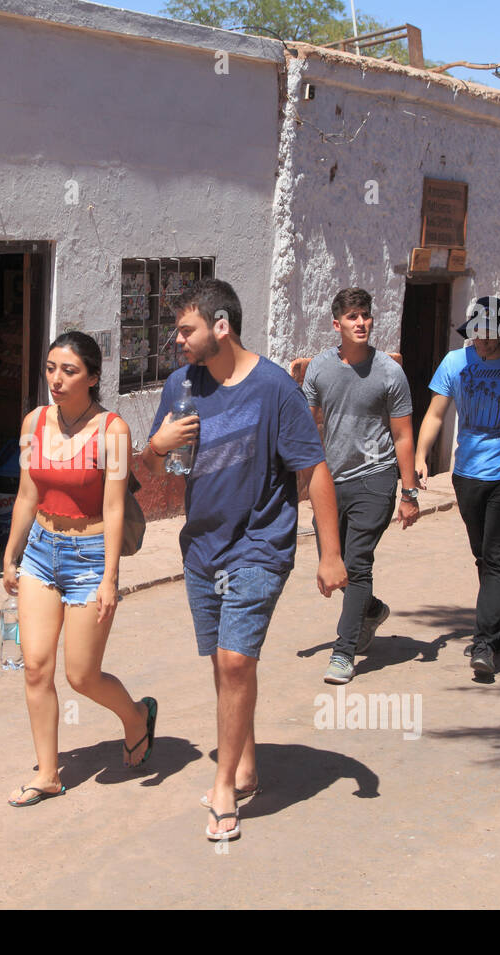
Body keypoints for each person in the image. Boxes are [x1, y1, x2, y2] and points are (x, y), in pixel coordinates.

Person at [144, 279, 347, 842]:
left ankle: (226, 785)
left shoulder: (275, 389)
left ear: (221, 327)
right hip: (202, 546)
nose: (177, 341)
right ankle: (248, 762)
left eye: (186, 330)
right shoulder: (181, 386)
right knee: (224, 663)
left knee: (235, 662)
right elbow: (151, 474)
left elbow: (314, 470)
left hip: (260, 543)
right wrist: (157, 447)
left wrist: (330, 553)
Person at [2, 332, 156, 806]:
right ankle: (48, 773)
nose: (56, 379)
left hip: (89, 556)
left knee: (82, 675)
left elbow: (114, 508)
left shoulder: (112, 429)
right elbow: (28, 494)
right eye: (50, 368)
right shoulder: (34, 421)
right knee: (35, 668)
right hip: (41, 551)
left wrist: (110, 578)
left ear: (92, 377)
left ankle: (135, 717)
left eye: (68, 371)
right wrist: (11, 554)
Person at [414, 296, 500, 680]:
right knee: (483, 556)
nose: (483, 344)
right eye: (478, 336)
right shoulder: (456, 362)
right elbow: (436, 411)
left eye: (491, 337)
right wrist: (421, 455)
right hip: (467, 475)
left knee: (496, 558)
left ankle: (485, 643)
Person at [303, 287, 420, 684]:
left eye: (365, 316)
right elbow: (304, 427)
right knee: (332, 565)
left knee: (356, 563)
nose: (361, 323)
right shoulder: (319, 368)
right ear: (337, 324)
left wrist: (409, 492)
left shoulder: (389, 371)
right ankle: (369, 610)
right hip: (330, 482)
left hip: (376, 478)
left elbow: (403, 436)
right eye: (352, 317)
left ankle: (343, 651)